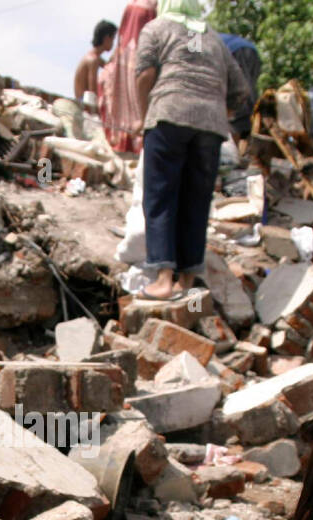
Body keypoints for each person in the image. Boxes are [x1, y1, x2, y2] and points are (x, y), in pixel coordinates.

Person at [135, 0, 251, 300]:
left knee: (161, 196)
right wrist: (216, 111)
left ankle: (162, 280)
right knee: (196, 200)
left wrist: (142, 115)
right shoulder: (214, 39)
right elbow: (241, 90)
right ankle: (185, 281)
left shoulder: (157, 27)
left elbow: (144, 74)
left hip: (169, 114)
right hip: (210, 128)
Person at [100, 0, 159, 154]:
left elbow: (122, 37)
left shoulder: (132, 4)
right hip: (142, 55)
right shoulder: (154, 6)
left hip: (127, 55)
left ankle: (125, 139)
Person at [217, 32, 261, 140]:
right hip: (252, 51)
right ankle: (243, 141)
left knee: (240, 102)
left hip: (235, 51)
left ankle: (235, 147)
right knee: (246, 98)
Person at [75, 20, 118, 114]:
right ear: (107, 38)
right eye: (113, 39)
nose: (113, 43)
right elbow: (92, 92)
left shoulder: (95, 57)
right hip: (84, 104)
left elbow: (108, 66)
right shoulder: (93, 60)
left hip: (82, 102)